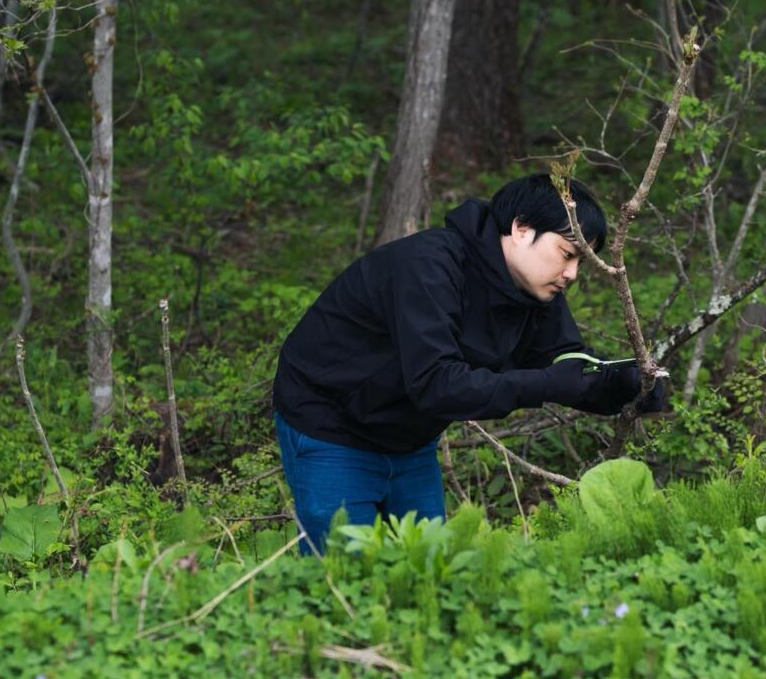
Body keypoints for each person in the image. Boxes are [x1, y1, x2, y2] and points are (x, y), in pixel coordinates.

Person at [273, 172, 668, 553]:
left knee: (428, 571)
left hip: (408, 437)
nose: (572, 274)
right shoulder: (429, 267)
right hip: (332, 426)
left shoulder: (535, 291)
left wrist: (624, 385)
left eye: (581, 262)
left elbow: (564, 364)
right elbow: (437, 384)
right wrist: (548, 384)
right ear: (521, 229)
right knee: (346, 576)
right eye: (567, 254)